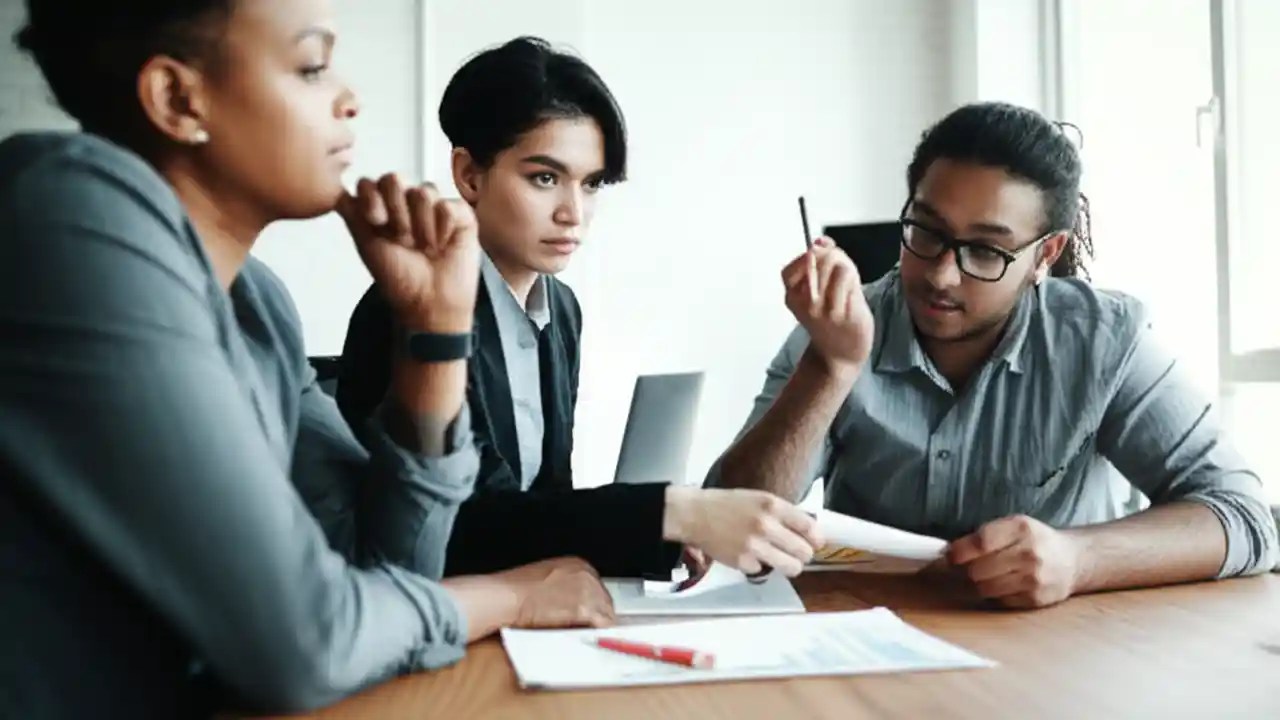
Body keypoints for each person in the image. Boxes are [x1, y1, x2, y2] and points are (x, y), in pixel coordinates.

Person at [0, 2, 615, 717]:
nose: (350, 99)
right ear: (176, 98)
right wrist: (515, 595)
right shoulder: (67, 214)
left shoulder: (257, 303)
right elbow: (306, 642)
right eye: (312, 66)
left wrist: (436, 333)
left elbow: (386, 572)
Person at [707, 102, 1278, 609]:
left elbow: (1247, 519)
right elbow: (723, 528)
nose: (940, 273)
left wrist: (1079, 560)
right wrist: (829, 367)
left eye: (984, 250)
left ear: (1045, 255)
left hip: (1061, 656)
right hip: (870, 639)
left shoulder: (1103, 339)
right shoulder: (840, 324)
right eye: (925, 231)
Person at [339, 36, 823, 580]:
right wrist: (673, 513)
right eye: (544, 178)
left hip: (517, 604)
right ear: (469, 175)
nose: (574, 212)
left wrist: (661, 537)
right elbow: (463, 523)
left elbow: (545, 499)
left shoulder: (561, 309)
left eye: (590, 184)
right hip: (426, 603)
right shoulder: (410, 309)